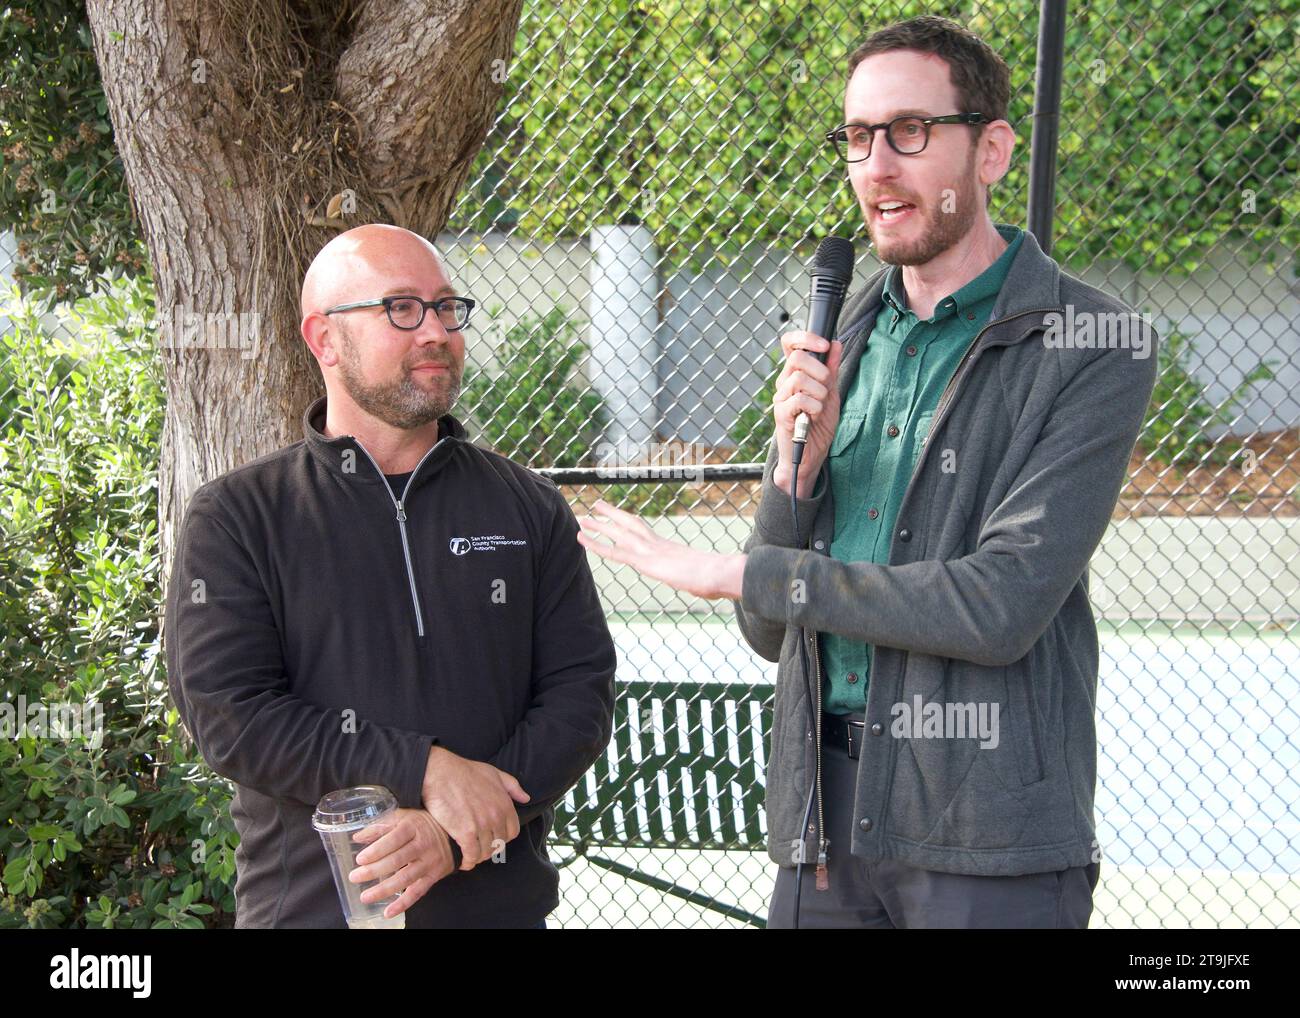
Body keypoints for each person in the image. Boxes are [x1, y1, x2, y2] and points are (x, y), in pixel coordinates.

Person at [576, 16, 1157, 928]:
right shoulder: (841, 333)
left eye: (909, 133)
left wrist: (741, 570)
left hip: (984, 833)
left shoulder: (1090, 344)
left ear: (993, 149)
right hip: (822, 818)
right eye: (857, 137)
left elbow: (1000, 605)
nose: (876, 167)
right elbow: (772, 634)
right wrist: (794, 470)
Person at [166, 223, 616, 928]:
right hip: (318, 913)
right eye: (401, 308)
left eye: (445, 307)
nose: (435, 330)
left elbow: (579, 695)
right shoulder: (239, 517)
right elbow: (232, 715)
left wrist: (453, 832)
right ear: (323, 339)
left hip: (498, 909)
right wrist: (424, 770)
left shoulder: (526, 505)